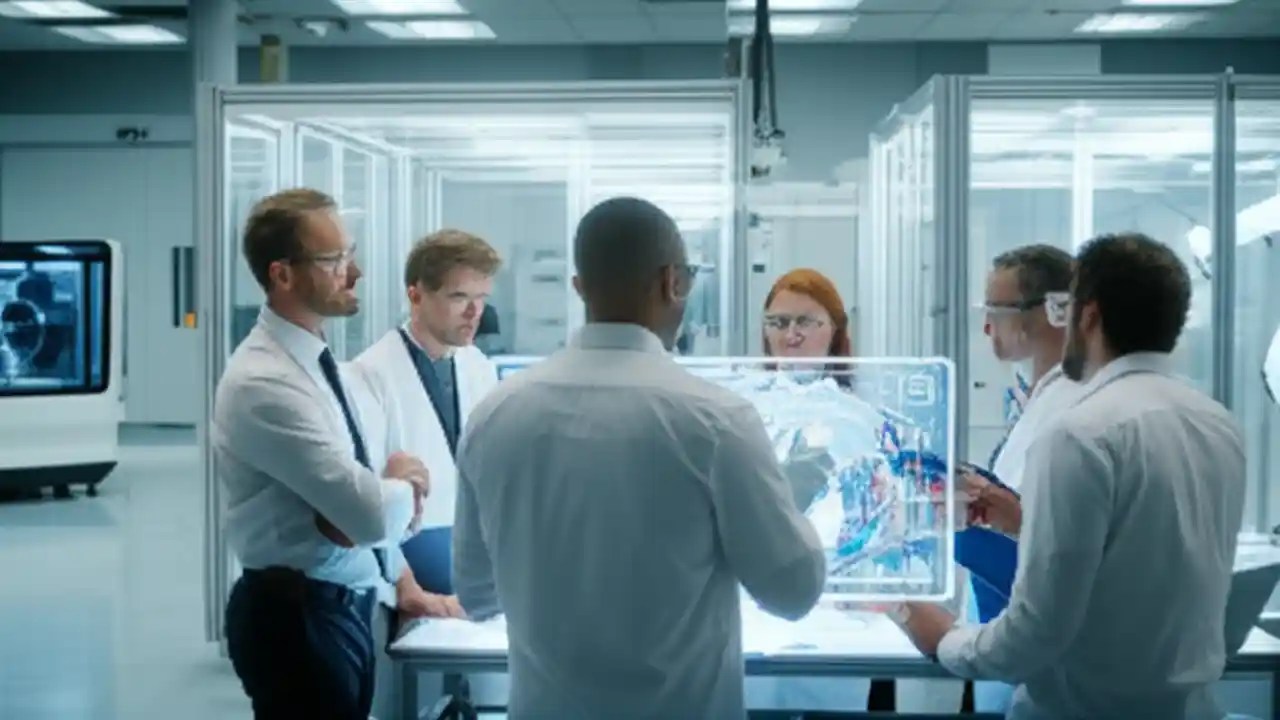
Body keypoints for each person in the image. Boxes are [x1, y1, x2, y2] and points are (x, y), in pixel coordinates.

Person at [452, 196, 826, 719]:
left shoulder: (495, 415)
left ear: (579, 287)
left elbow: (476, 594)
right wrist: (789, 499)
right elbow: (793, 592)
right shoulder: (717, 421)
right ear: (674, 282)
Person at [896, 232, 1246, 719]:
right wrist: (1027, 524)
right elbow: (1139, 563)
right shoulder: (1218, 424)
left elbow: (1035, 634)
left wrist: (943, 639)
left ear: (1088, 315)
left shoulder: (1079, 433)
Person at [212, 188, 430, 720]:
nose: (354, 272)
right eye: (333, 260)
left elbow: (358, 508)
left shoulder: (317, 365)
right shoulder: (266, 382)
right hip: (298, 621)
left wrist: (401, 575)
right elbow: (368, 513)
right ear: (282, 275)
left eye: (348, 253)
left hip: (339, 607)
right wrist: (407, 483)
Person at [348, 229, 502, 623]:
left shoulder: (479, 368)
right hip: (406, 575)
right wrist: (407, 588)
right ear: (415, 295)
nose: (474, 312)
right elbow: (362, 501)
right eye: (459, 297)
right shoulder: (369, 374)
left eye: (482, 297)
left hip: (472, 571)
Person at [962, 244, 1086, 712]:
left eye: (997, 311)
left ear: (1055, 311)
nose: (987, 327)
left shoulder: (1071, 409)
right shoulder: (1039, 399)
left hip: (1039, 655)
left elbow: (1047, 538)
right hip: (1009, 635)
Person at [746, 268, 875, 714]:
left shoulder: (859, 418)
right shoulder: (739, 410)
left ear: (835, 330)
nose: (791, 335)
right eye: (778, 323)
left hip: (836, 603)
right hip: (755, 601)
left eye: (806, 322)